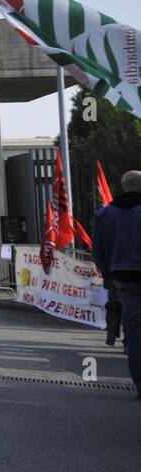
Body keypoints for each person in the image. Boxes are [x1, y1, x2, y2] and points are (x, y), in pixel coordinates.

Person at [92, 170, 141, 398]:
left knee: (134, 331)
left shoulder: (105, 214)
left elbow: (98, 251)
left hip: (123, 278)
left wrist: (109, 275)